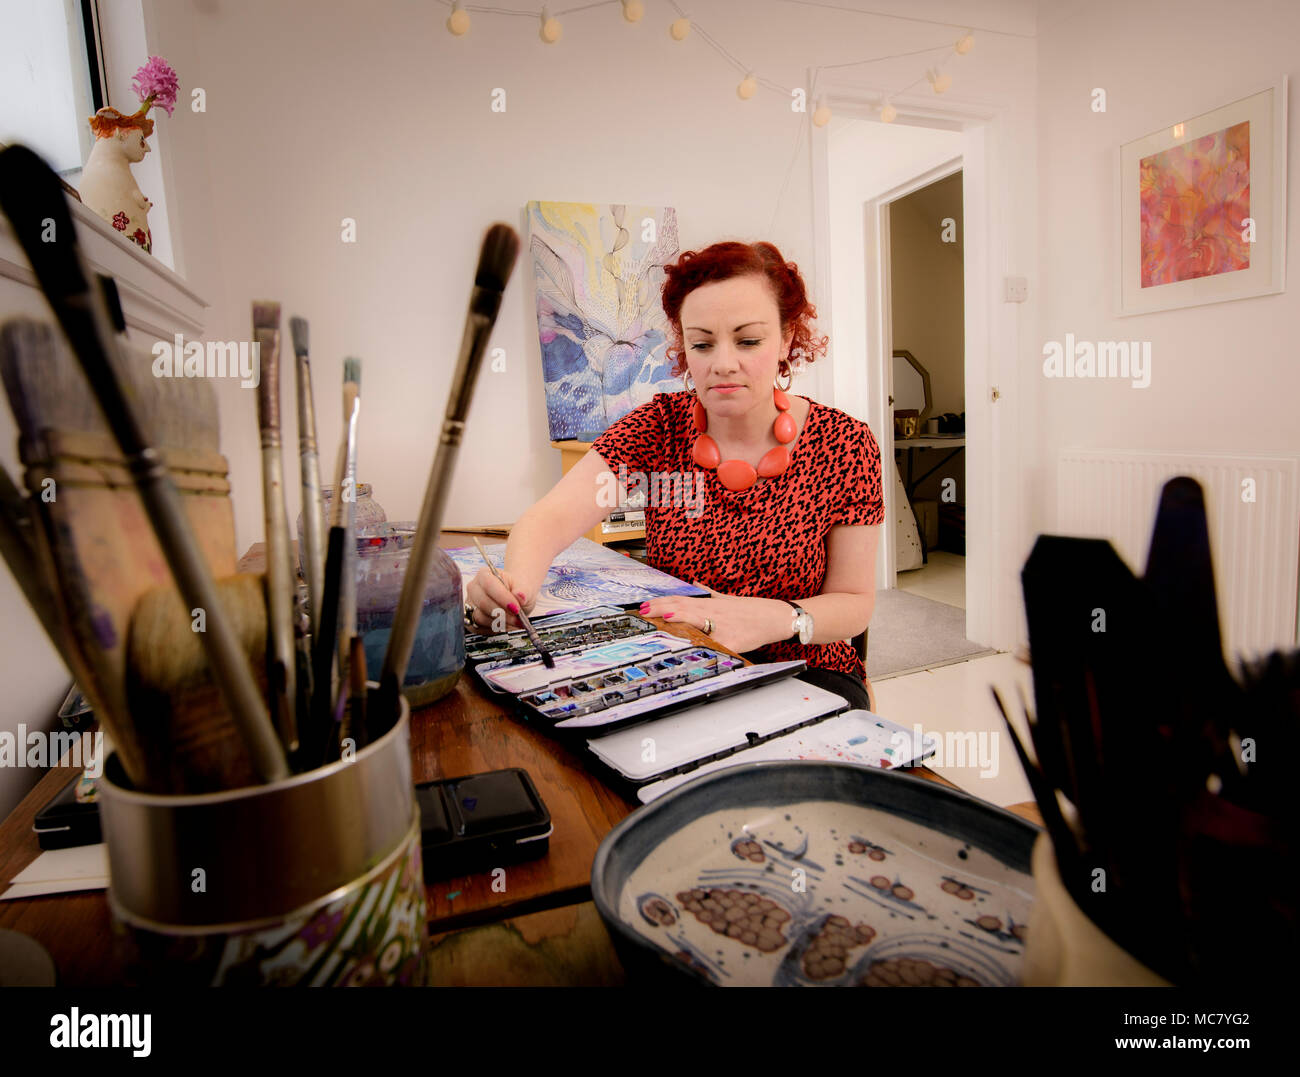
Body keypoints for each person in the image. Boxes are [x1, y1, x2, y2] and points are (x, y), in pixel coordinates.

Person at [466, 240, 883, 710]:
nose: (723, 363)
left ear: (786, 338)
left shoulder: (845, 443)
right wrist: (514, 588)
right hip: (680, 659)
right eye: (702, 344)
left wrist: (773, 619)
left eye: (748, 341)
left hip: (807, 664)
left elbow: (854, 601)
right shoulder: (658, 426)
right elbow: (550, 518)